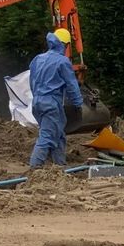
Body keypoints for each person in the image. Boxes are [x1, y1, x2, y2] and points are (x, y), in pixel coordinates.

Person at [28, 28, 84, 167]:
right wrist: (78, 103)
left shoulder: (38, 59)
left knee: (58, 134)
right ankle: (34, 169)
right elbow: (72, 85)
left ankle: (60, 166)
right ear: (65, 45)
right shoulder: (63, 61)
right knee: (47, 136)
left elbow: (31, 80)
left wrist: (38, 96)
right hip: (51, 104)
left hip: (37, 102)